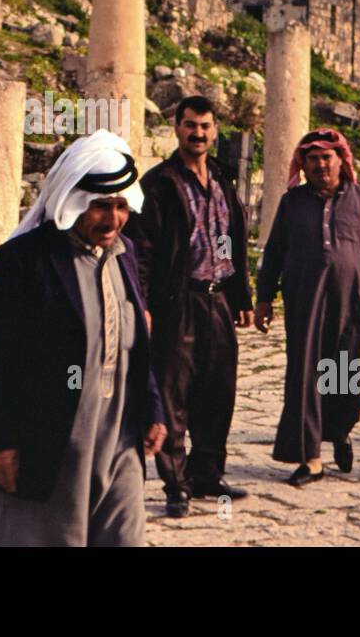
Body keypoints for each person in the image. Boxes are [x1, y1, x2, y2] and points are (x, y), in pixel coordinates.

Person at [0, 130, 167, 546]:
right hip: (52, 444)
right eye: (99, 207)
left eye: (120, 206)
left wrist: (153, 408)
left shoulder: (125, 255)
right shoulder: (25, 262)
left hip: (119, 445)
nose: (112, 219)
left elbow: (134, 345)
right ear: (72, 201)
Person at [124, 96, 253, 518]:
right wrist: (142, 303)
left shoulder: (221, 179)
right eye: (190, 125)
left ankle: (207, 476)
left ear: (215, 130)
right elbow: (141, 251)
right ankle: (175, 484)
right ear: (177, 128)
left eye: (205, 126)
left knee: (218, 391)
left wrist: (241, 295)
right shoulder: (159, 183)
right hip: (177, 300)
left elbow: (233, 241)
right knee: (174, 392)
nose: (198, 133)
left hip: (217, 298)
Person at [254, 128, 360, 487]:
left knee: (347, 379)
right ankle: (311, 457)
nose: (319, 165)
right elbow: (273, 255)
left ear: (340, 161)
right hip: (306, 305)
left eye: (326, 158)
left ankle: (340, 430)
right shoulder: (292, 203)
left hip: (351, 306)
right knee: (307, 378)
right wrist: (264, 298)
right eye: (312, 159)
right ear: (303, 165)